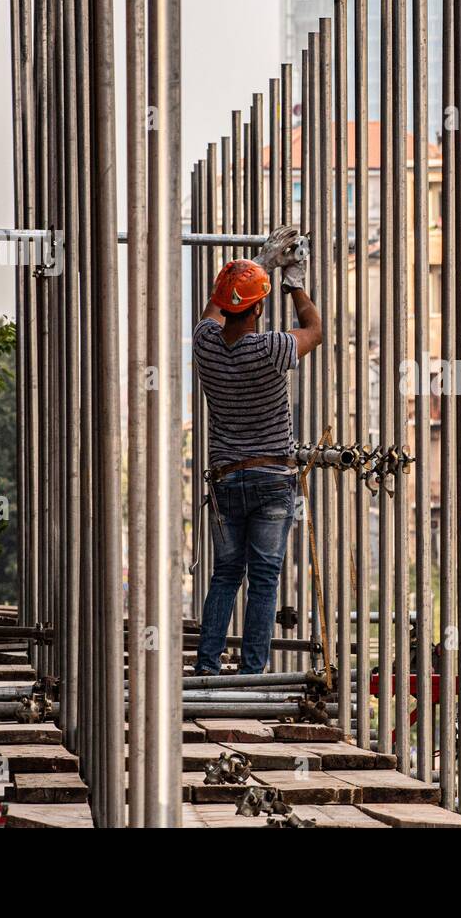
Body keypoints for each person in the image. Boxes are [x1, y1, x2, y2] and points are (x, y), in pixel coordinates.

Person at [192, 231, 320, 675]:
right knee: (264, 578)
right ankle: (251, 673)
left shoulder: (205, 345)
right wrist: (293, 281)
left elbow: (211, 312)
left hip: (227, 480)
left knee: (226, 574)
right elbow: (315, 330)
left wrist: (254, 266)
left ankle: (207, 667)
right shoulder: (271, 349)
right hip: (272, 479)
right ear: (260, 308)